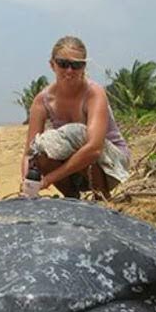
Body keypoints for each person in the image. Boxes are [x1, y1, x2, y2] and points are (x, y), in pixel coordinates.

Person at [22, 36, 131, 200]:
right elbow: (29, 153)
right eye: (63, 64)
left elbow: (94, 148)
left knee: (78, 133)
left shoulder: (94, 93)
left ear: (83, 67)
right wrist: (26, 181)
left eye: (76, 65)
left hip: (111, 165)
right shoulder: (42, 101)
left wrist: (49, 180)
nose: (69, 71)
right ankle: (71, 197)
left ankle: (101, 197)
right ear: (52, 65)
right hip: (74, 168)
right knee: (39, 149)